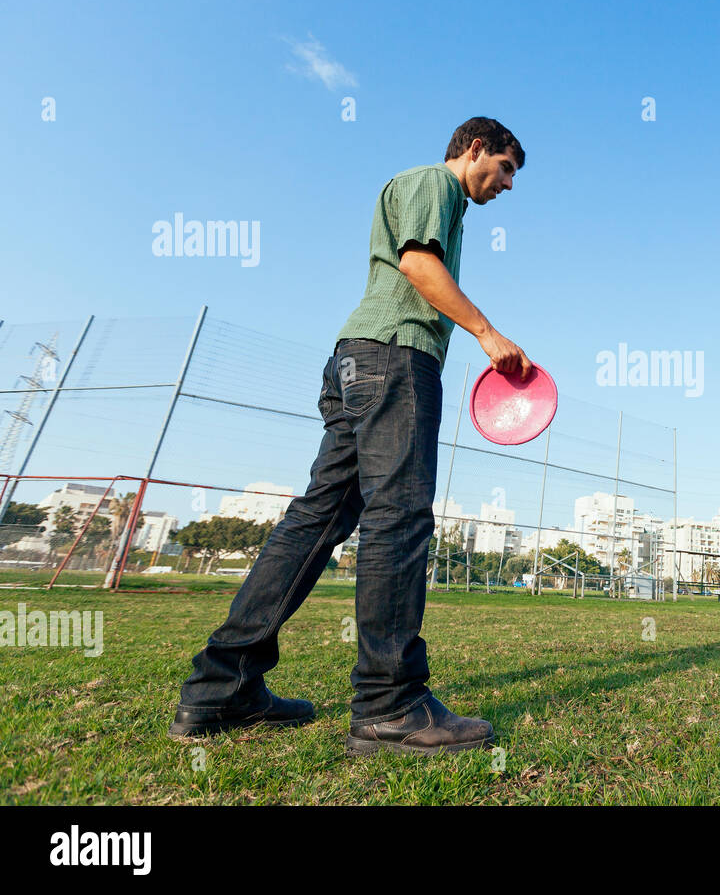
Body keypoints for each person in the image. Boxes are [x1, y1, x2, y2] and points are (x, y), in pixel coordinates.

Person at [168, 117, 530, 757]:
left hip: (358, 362)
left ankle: (220, 687)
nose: (506, 185)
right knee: (399, 516)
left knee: (316, 519)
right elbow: (419, 263)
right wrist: (487, 333)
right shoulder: (432, 184)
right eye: (504, 169)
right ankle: (391, 704)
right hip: (395, 359)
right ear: (475, 149)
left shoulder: (432, 195)